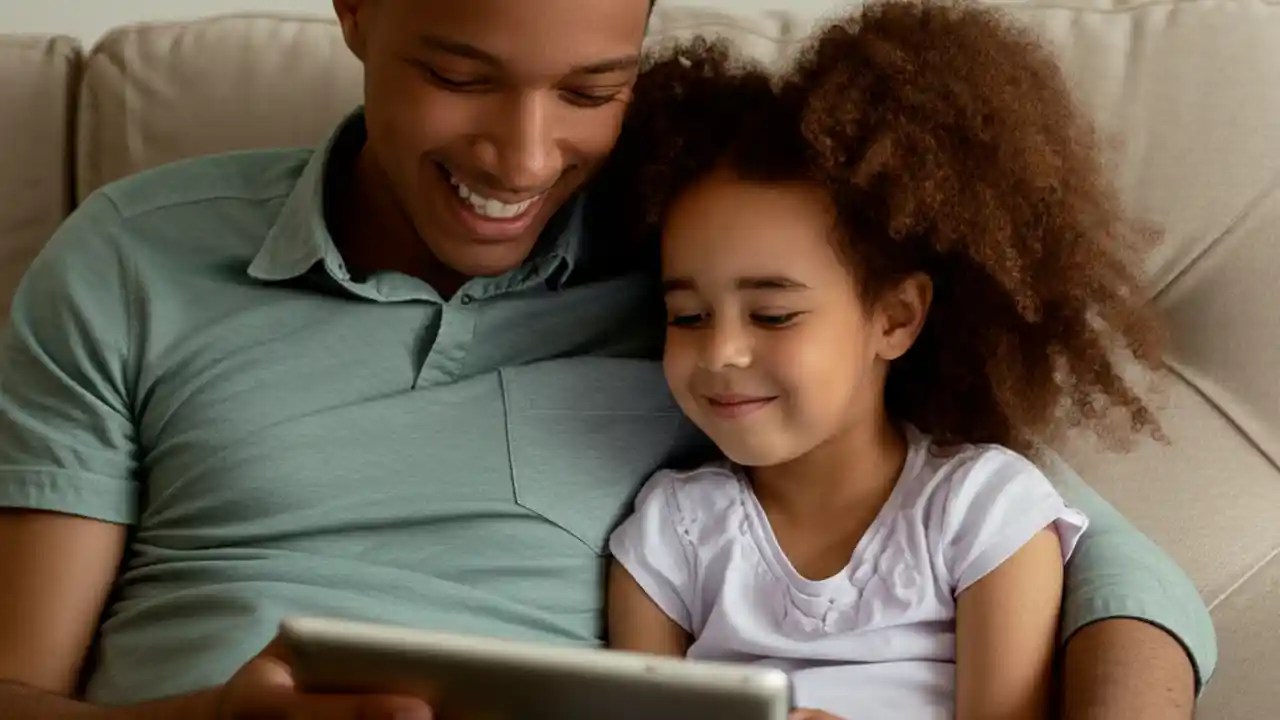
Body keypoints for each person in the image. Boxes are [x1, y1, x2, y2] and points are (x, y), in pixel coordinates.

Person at [0, 0, 1211, 718]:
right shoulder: (130, 258)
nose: (525, 160)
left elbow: (1101, 563)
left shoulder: (698, 275)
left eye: (591, 90)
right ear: (357, 10)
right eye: (458, 76)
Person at [604, 2, 1175, 718]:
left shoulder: (981, 512)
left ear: (896, 318)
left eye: (773, 314)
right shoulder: (671, 536)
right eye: (687, 315)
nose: (719, 351)